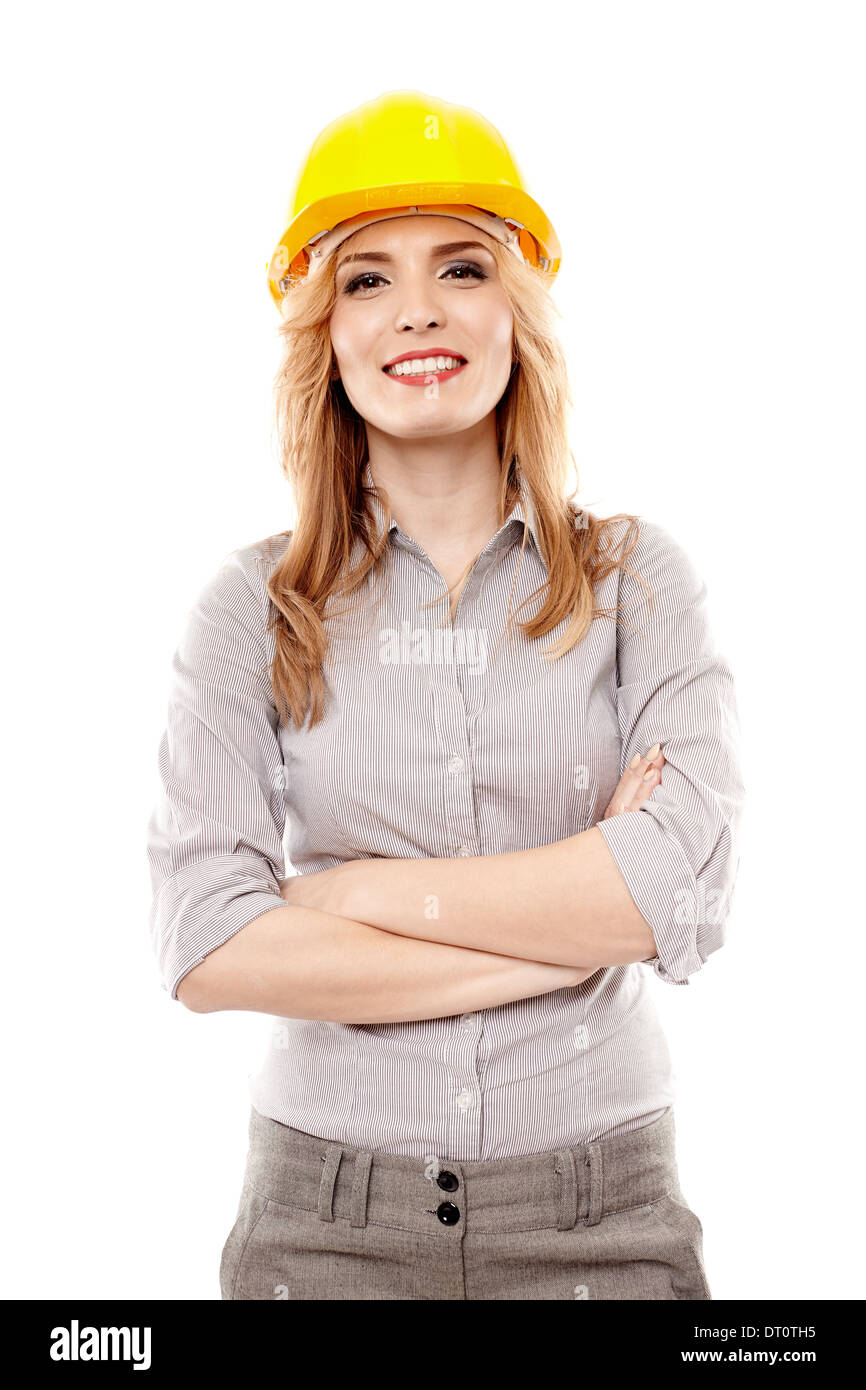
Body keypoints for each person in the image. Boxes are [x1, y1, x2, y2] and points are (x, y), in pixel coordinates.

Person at [146, 90, 745, 1301]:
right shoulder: (248, 605)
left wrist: (349, 900)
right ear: (325, 332)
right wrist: (573, 920)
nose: (416, 309)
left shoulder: (639, 580)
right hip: (323, 1224)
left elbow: (684, 884)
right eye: (366, 279)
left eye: (459, 266)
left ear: (512, 314)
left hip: (602, 1221)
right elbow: (206, 941)